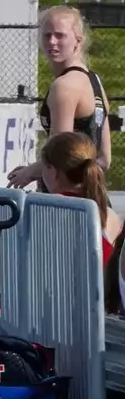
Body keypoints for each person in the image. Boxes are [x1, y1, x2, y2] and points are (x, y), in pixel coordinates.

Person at [9, 5, 112, 188]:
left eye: (60, 35)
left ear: (78, 41)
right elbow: (104, 159)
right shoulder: (94, 80)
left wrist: (29, 172)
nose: (52, 42)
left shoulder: (64, 87)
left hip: (65, 197)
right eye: (47, 35)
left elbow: (59, 157)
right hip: (92, 194)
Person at [37, 131, 124, 314]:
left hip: (46, 314)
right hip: (95, 317)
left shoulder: (40, 210)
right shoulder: (109, 217)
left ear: (53, 172)